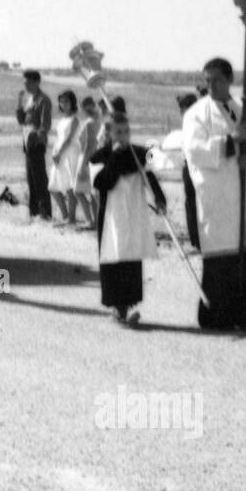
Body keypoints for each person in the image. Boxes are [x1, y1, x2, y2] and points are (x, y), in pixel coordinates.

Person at [182, 57, 246, 330]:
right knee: (223, 249)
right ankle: (220, 316)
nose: (211, 85)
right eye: (207, 80)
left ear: (230, 80)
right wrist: (228, 142)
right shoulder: (197, 114)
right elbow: (194, 150)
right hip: (219, 193)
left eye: (217, 79)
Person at [90, 111, 166, 326]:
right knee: (114, 255)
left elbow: (150, 175)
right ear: (108, 133)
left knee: (131, 255)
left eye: (126, 131)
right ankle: (117, 307)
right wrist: (114, 157)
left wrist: (159, 198)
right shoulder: (99, 156)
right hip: (112, 216)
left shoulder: (140, 153)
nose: (123, 136)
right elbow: (102, 183)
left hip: (133, 212)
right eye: (118, 132)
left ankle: (129, 305)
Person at [15, 69, 52, 220]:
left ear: (36, 82)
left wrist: (37, 137)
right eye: (24, 83)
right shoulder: (30, 99)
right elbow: (22, 120)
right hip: (27, 142)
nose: (25, 85)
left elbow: (45, 124)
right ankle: (34, 212)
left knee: (39, 179)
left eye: (28, 82)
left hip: (36, 142)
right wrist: (19, 102)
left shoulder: (43, 100)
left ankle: (44, 213)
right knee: (31, 179)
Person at [48, 90, 81, 224]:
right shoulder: (62, 119)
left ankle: (71, 218)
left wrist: (60, 152)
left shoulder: (75, 119)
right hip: (59, 153)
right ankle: (65, 216)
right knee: (53, 187)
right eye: (61, 102)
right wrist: (55, 152)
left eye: (66, 101)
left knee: (70, 187)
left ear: (72, 102)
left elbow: (69, 138)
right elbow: (60, 137)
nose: (63, 104)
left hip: (70, 153)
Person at [73, 97, 102, 229]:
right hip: (95, 158)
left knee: (78, 191)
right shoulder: (97, 121)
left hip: (86, 158)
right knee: (91, 192)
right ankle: (95, 220)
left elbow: (88, 145)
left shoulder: (89, 123)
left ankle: (90, 220)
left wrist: (83, 165)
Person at [177, 92, 201, 252]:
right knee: (193, 204)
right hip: (193, 165)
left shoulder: (191, 121)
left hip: (192, 166)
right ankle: (197, 241)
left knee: (193, 205)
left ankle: (197, 242)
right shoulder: (196, 120)